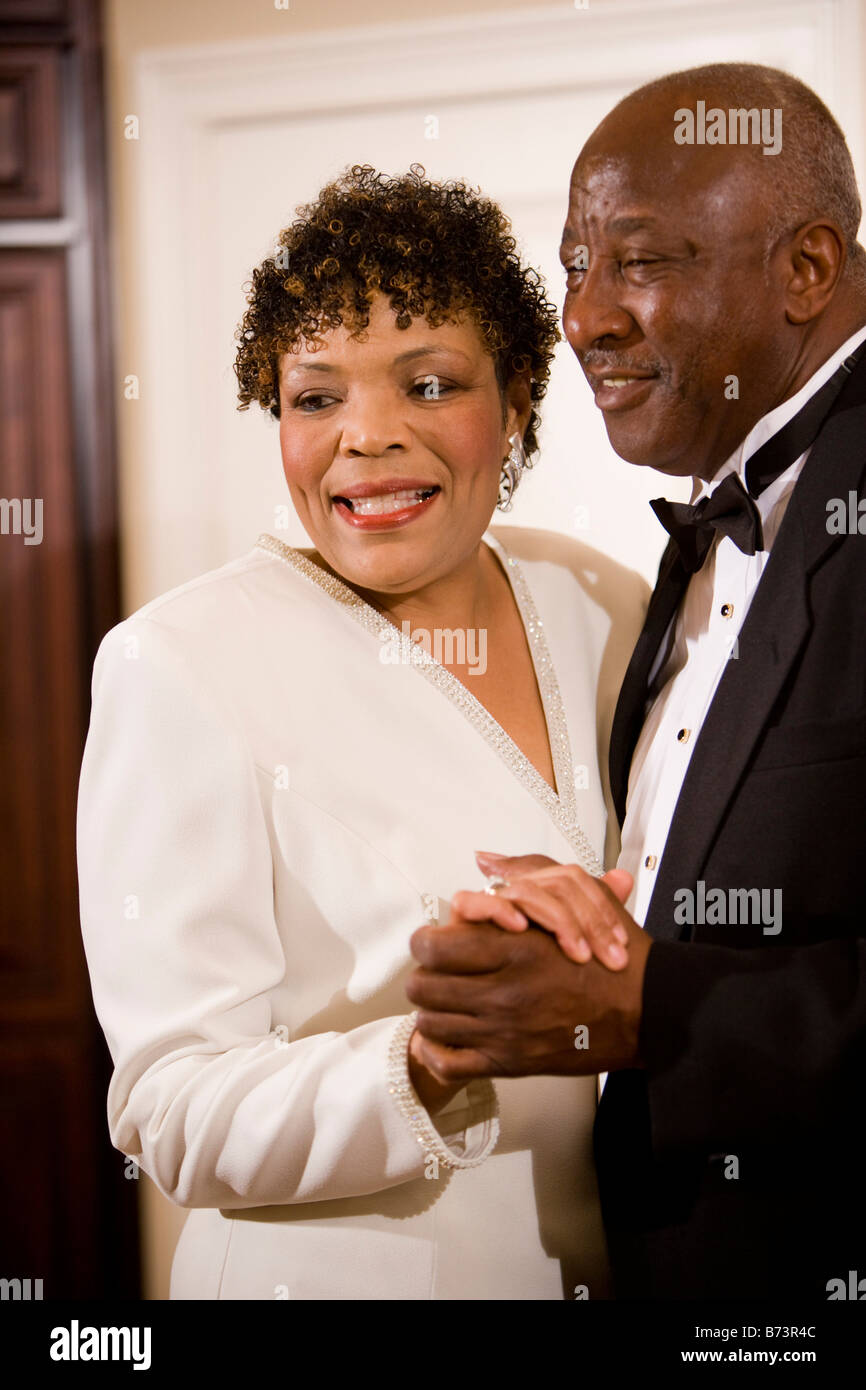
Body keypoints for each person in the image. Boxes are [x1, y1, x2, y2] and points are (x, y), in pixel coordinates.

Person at [76, 165, 647, 1300]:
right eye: (315, 396)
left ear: (518, 397)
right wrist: (428, 1058)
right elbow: (164, 1109)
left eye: (428, 385)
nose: (367, 437)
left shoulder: (606, 604)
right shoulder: (181, 661)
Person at [408, 63, 866, 1300]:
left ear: (807, 269)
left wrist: (647, 1004)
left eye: (641, 261)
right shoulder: (695, 538)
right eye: (572, 265)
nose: (586, 317)